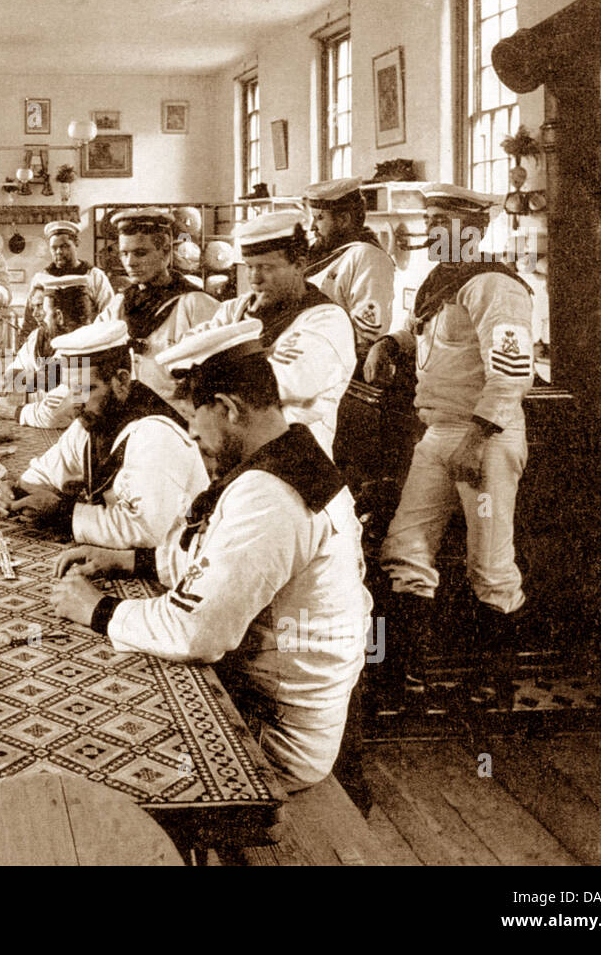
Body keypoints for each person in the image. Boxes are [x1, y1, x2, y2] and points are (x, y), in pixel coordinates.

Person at [51, 323, 370, 792]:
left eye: (193, 417)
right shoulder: (287, 454)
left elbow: (197, 632)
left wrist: (97, 610)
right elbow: (218, 561)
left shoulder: (271, 494)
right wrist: (128, 562)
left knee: (80, 751)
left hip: (271, 736)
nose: (192, 433)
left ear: (228, 409)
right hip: (264, 697)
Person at [365, 185, 533, 698]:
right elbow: (423, 332)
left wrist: (479, 438)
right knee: (405, 549)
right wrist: (388, 341)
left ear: (476, 231)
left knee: (490, 562)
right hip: (437, 433)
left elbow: (512, 369)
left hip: (485, 437)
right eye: (430, 221)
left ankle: (494, 686)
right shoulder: (441, 280)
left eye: (445, 222)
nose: (433, 231)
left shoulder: (495, 287)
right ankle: (402, 677)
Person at [0, 320, 207, 550]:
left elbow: (149, 531)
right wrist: (16, 492)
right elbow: (43, 474)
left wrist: (64, 514)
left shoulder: (155, 433)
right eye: (71, 390)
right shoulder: (92, 422)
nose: (75, 404)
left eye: (85, 389)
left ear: (122, 381)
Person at [188, 211, 355, 454]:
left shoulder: (326, 321)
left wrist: (206, 377)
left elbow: (269, 386)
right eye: (250, 267)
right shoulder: (237, 308)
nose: (255, 279)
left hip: (293, 458)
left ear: (299, 264)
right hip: (240, 452)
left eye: (266, 267)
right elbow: (184, 355)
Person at [92, 208, 218, 407]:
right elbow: (88, 356)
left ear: (166, 252)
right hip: (130, 420)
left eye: (140, 253)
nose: (130, 262)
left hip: (180, 423)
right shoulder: (118, 306)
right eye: (124, 253)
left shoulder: (196, 305)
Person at [302, 176, 396, 358]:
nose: (313, 227)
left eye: (319, 218)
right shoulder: (323, 252)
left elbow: (367, 334)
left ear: (344, 219)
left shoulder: (367, 257)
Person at [4, 274, 93, 429]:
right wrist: (40, 378)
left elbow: (54, 414)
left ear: (59, 316)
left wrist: (16, 411)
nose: (39, 316)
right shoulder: (49, 340)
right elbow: (11, 375)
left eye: (43, 309)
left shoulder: (79, 349)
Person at [21, 220, 114, 338]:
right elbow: (30, 320)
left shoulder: (95, 276)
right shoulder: (40, 278)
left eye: (64, 246)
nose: (59, 252)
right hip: (50, 345)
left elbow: (109, 315)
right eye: (54, 248)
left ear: (76, 244)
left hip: (86, 342)